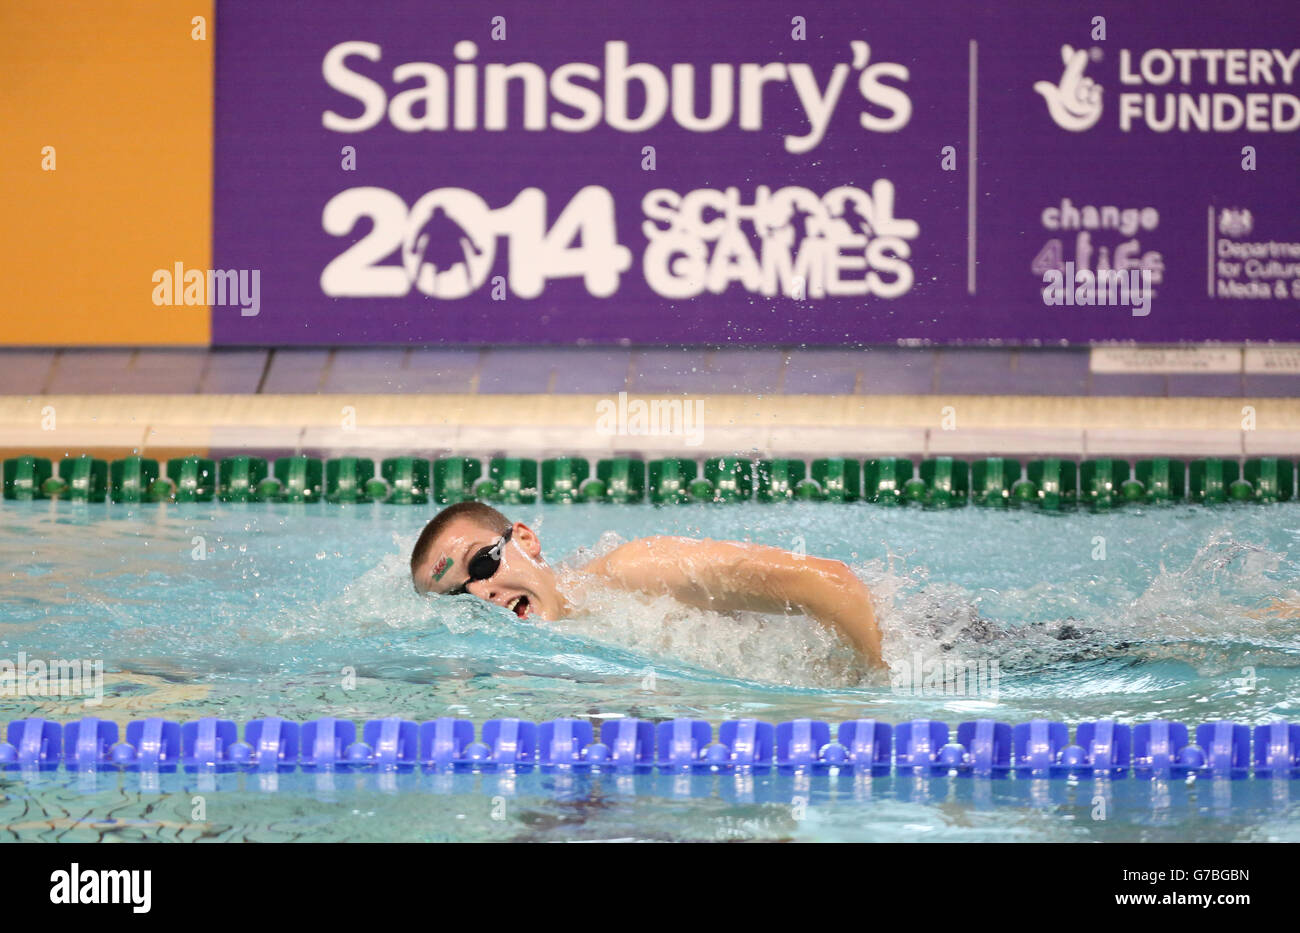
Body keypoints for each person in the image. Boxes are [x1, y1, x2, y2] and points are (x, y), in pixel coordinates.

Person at [409, 501, 884, 669]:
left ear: (526, 540)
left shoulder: (632, 573)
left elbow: (828, 582)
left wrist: (868, 693)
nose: (480, 593)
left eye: (483, 564)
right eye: (455, 595)